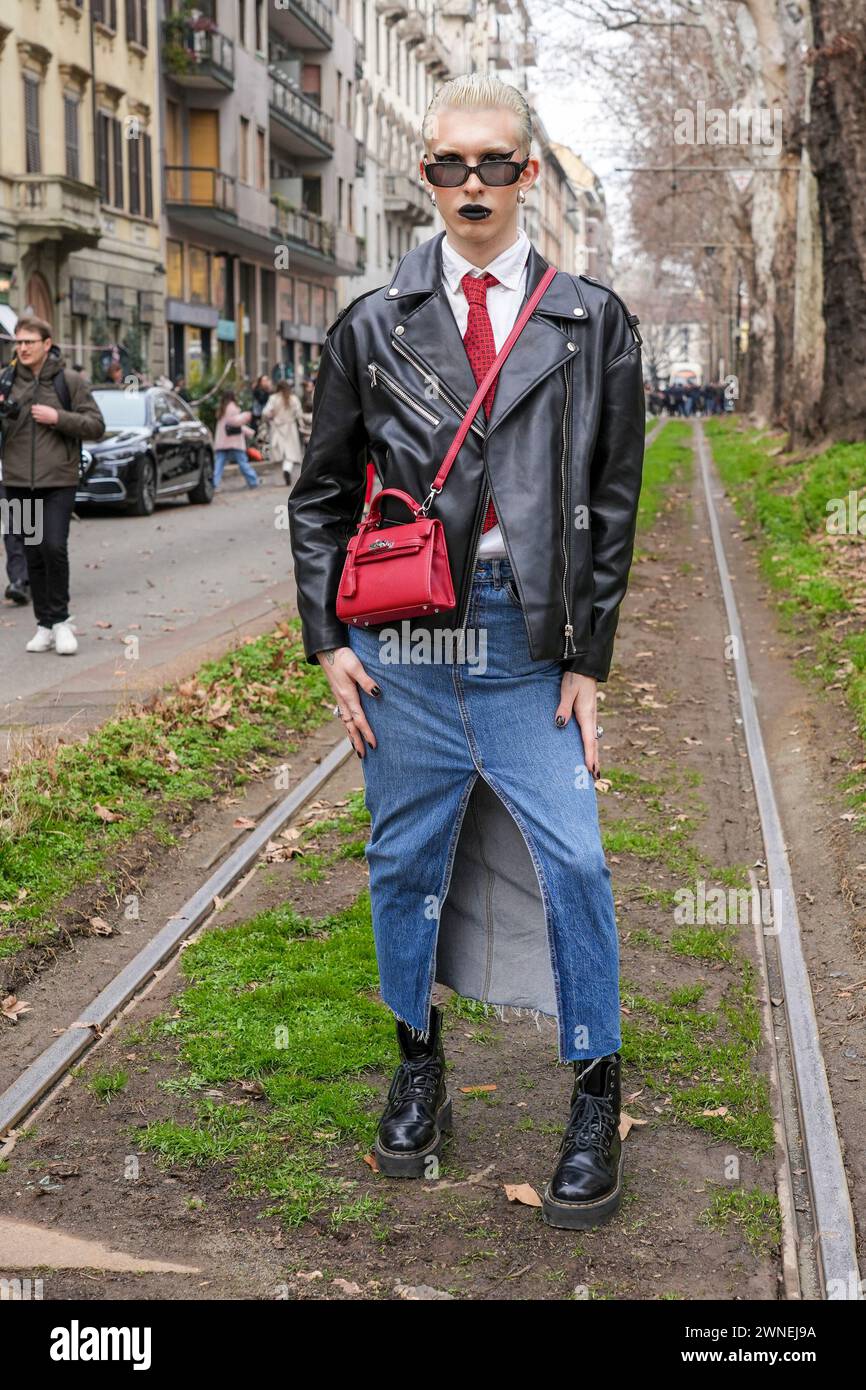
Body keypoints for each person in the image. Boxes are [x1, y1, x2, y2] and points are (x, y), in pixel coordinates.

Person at [287, 74, 644, 1230]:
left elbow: (610, 498)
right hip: (402, 647)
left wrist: (587, 661)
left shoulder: (589, 319)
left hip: (526, 641)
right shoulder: (372, 321)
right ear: (424, 176)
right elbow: (321, 495)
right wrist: (326, 643)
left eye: (495, 165)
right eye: (451, 167)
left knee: (575, 864)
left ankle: (595, 1090)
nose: (473, 186)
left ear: (526, 172)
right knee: (404, 865)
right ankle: (417, 1068)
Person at [0, 315, 105, 655]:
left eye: (29, 341)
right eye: (18, 342)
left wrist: (58, 418)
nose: (22, 348)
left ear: (47, 344)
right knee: (32, 553)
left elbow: (96, 425)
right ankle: (43, 624)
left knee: (53, 547)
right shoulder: (5, 380)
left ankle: (61, 621)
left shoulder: (69, 382)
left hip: (58, 480)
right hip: (16, 481)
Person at [212, 389, 260, 490]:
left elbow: (232, 424)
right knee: (243, 462)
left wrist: (249, 431)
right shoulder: (232, 407)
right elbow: (235, 423)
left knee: (218, 465)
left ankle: (213, 484)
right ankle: (253, 481)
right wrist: (246, 416)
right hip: (233, 441)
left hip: (222, 442)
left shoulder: (222, 408)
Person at [262, 379, 304, 487]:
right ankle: (287, 469)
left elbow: (265, 412)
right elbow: (299, 413)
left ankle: (280, 478)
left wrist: (270, 417)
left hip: (277, 428)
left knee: (279, 454)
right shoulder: (293, 398)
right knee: (290, 454)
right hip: (290, 428)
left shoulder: (273, 398)